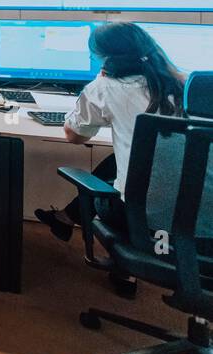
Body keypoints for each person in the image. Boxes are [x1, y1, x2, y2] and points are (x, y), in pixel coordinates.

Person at [35, 22, 185, 239]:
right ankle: (66, 217)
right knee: (118, 160)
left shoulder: (105, 87)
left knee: (111, 185)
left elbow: (75, 135)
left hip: (145, 217)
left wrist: (100, 80)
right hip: (201, 217)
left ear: (104, 58)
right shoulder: (187, 84)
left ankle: (124, 268)